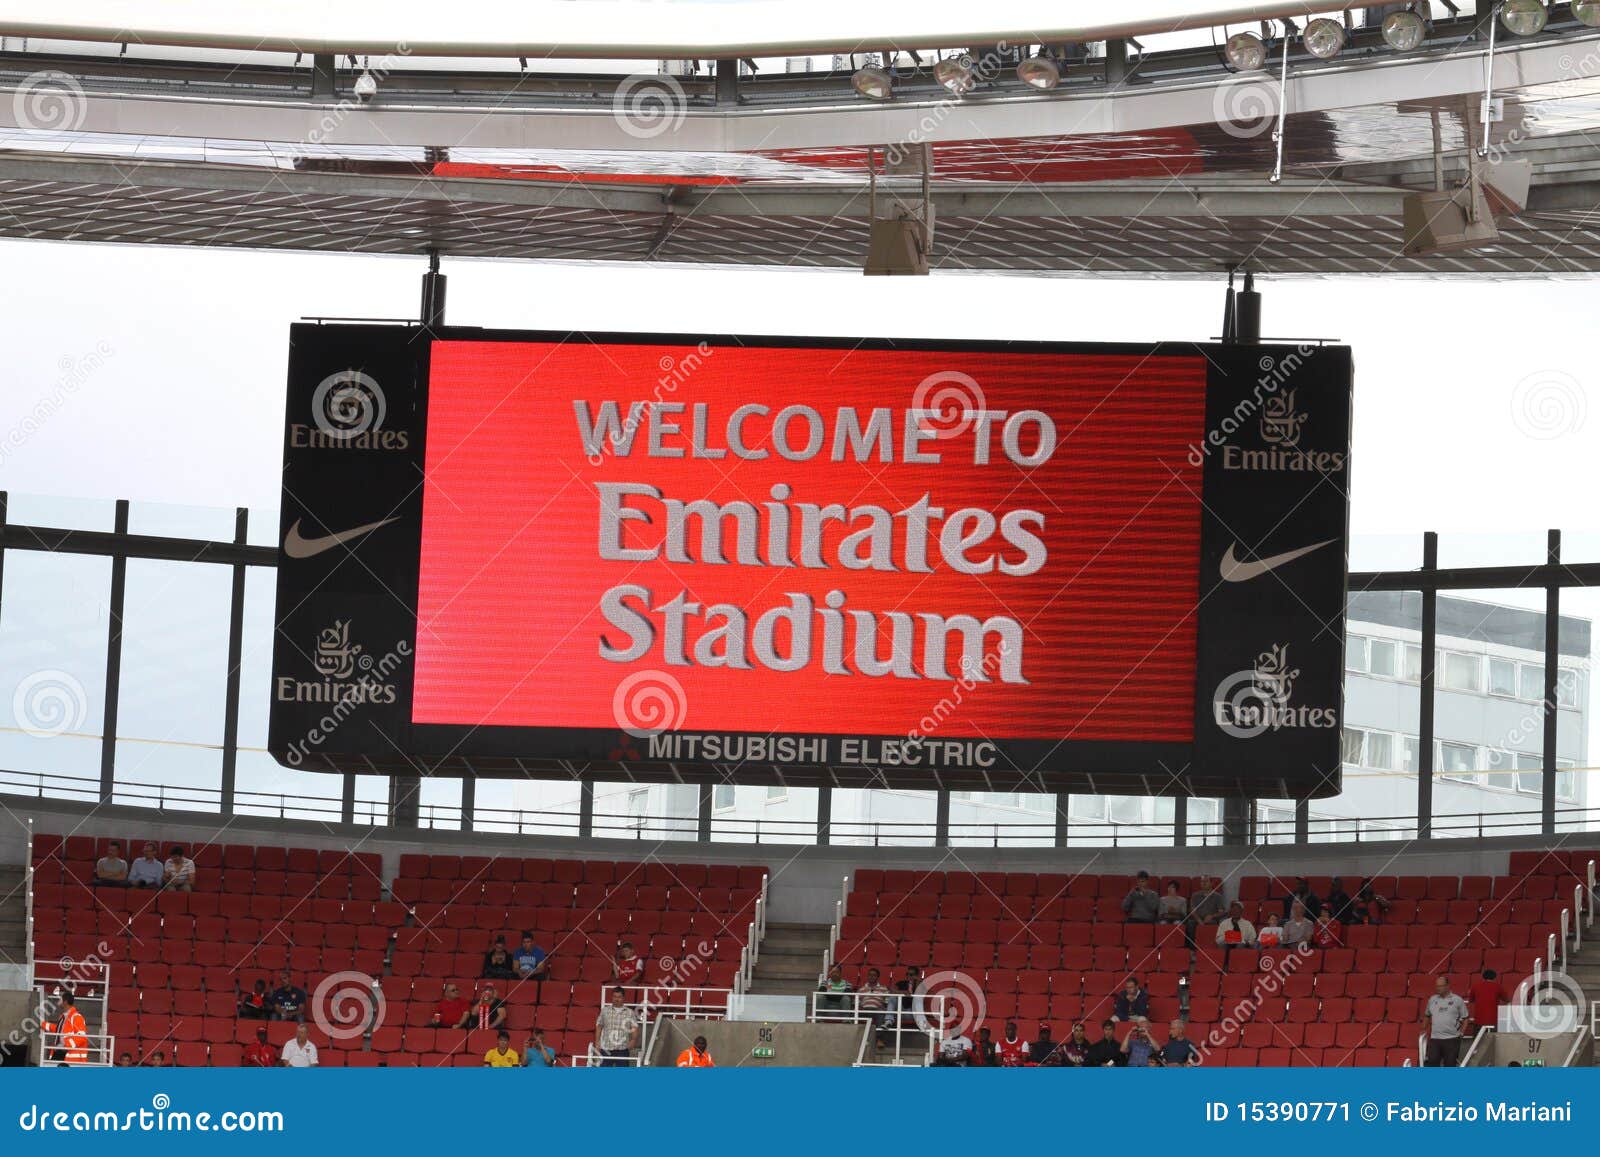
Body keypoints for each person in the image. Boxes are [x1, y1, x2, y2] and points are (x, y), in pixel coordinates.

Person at [1422, 975, 1470, 1067]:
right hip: (1435, 1039)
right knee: (1431, 1063)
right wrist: (1423, 1029)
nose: (1438, 988)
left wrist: (1462, 1033)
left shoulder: (1457, 1000)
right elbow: (1427, 1016)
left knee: (1450, 1065)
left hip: (1452, 1039)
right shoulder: (1432, 1000)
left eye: (1440, 986)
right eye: (1437, 986)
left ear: (1448, 986)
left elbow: (1466, 1018)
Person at [596, 987, 639, 1066]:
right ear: (612, 997)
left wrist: (633, 1040)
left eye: (619, 997)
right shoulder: (604, 1011)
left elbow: (634, 1028)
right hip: (606, 1049)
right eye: (615, 996)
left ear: (623, 998)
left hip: (622, 1049)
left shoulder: (630, 1012)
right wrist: (597, 1041)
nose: (616, 999)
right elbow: (599, 1025)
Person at [1186, 874, 1226, 949]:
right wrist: (1198, 920)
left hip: (1211, 919)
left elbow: (1222, 912)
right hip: (1197, 919)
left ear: (1211, 883)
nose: (1203, 883)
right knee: (1190, 924)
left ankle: (1209, 948)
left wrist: (1212, 916)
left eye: (1206, 881)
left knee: (1213, 924)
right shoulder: (1195, 895)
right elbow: (1192, 910)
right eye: (1202, 881)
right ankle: (1192, 950)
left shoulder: (1217, 896)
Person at [856, 967, 892, 1045]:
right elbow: (857, 1003)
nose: (871, 977)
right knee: (853, 1013)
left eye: (874, 975)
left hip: (877, 1009)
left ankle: (879, 1039)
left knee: (881, 1014)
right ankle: (857, 1039)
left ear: (877, 977)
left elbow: (887, 1002)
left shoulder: (883, 988)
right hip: (864, 1009)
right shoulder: (861, 989)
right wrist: (860, 1008)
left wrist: (883, 1007)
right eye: (869, 975)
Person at [1468, 969, 1505, 1035]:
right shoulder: (1498, 987)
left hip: (1479, 1019)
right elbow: (1506, 999)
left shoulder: (1475, 986)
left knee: (1478, 1042)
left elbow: (1471, 1000)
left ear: (1483, 977)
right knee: (1493, 1041)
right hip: (1493, 1019)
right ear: (1494, 977)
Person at [57, 990, 89, 1065]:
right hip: (60, 1053)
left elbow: (82, 1037)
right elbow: (58, 1029)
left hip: (73, 1059)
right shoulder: (63, 1016)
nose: (58, 1001)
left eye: (60, 999)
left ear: (65, 1002)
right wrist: (44, 1024)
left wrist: (66, 1045)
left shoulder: (77, 1017)